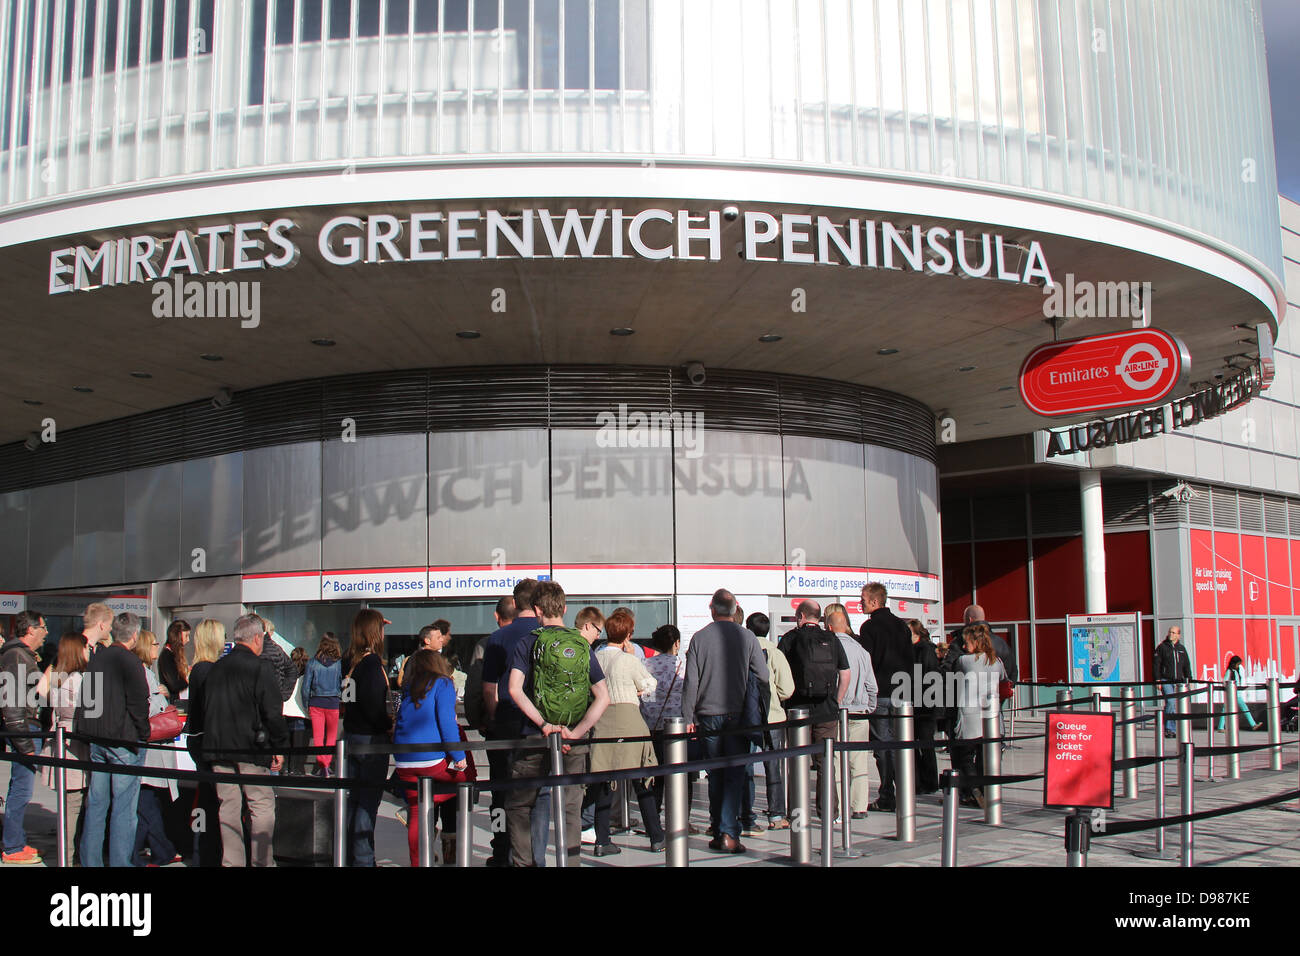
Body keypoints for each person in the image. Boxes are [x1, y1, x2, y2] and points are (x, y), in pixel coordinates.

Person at [506, 580, 611, 866]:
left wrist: (543, 724)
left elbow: (515, 689)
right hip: (571, 740)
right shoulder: (580, 643)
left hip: (534, 735)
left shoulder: (529, 641)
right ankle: (571, 863)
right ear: (564, 609)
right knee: (570, 809)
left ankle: (526, 863)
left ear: (537, 610)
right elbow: (603, 696)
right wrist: (575, 734)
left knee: (520, 805)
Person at [681, 588, 769, 854]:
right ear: (735, 609)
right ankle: (729, 832)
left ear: (712, 608)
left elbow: (691, 683)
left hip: (707, 716)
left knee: (715, 774)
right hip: (739, 716)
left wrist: (687, 717)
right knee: (735, 774)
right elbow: (763, 676)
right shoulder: (748, 637)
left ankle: (718, 828)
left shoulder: (699, 638)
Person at [203, 614, 289, 867]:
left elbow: (205, 709)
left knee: (228, 807)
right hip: (251, 746)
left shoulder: (216, 667)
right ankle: (262, 862)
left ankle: (232, 863)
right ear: (257, 638)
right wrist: (280, 746)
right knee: (261, 805)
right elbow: (273, 711)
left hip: (219, 748)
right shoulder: (260, 667)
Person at [482, 579, 551, 867]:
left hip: (508, 724)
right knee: (542, 794)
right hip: (544, 725)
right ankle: (536, 857)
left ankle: (507, 855)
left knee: (506, 794)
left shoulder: (498, 637)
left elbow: (489, 688)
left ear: (514, 602)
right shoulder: (550, 634)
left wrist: (492, 717)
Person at [77, 611, 151, 867]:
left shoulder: (98, 658)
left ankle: (91, 862)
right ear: (134, 636)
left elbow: (89, 698)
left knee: (96, 806)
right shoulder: (130, 661)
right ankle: (120, 863)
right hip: (123, 741)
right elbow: (139, 704)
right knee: (123, 810)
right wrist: (143, 734)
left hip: (98, 739)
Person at [590, 609, 661, 855]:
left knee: (604, 783)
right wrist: (638, 690)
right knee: (642, 780)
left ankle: (602, 840)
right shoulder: (628, 659)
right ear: (628, 635)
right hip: (629, 719)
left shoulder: (595, 658)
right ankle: (656, 837)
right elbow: (650, 684)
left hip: (601, 719)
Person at [393, 649, 471, 867]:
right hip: (431, 758)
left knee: (418, 809)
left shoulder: (409, 687)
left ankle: (418, 862)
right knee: (464, 782)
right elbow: (447, 723)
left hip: (403, 759)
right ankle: (429, 800)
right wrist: (458, 756)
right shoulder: (443, 684)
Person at [778, 600, 850, 821]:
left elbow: (781, 674)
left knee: (797, 760)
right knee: (825, 761)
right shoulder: (832, 639)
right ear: (818, 617)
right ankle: (830, 813)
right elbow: (845, 674)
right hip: (826, 709)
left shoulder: (790, 639)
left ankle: (796, 812)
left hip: (797, 710)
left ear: (800, 616)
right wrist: (835, 700)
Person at [343, 609, 393, 867]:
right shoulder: (372, 664)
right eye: (381, 628)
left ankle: (350, 855)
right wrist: (389, 726)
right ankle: (363, 859)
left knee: (353, 800)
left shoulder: (352, 661)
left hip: (352, 736)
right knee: (366, 803)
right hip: (370, 741)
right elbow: (375, 708)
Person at [857, 582, 912, 812]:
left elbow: (868, 662)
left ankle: (887, 794)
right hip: (903, 693)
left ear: (874, 601)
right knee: (902, 744)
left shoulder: (869, 628)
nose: (860, 604)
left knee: (883, 746)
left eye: (863, 600)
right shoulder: (903, 627)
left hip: (881, 693)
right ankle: (906, 792)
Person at [2, 611, 50, 864]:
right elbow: (11, 703)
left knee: (20, 787)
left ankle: (15, 840)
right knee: (21, 788)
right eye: (43, 628)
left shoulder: (21, 655)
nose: (46, 633)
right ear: (30, 629)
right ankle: (12, 846)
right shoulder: (16, 656)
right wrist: (24, 743)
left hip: (27, 726)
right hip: (23, 728)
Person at [39, 632, 91, 867]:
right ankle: (67, 861)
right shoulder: (78, 680)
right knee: (72, 809)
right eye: (86, 648)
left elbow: (42, 692)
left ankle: (67, 858)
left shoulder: (58, 677)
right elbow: (91, 713)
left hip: (61, 744)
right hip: (74, 747)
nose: (89, 652)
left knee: (68, 808)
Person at [130, 629, 180, 866]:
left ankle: (157, 851)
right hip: (150, 747)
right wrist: (164, 699)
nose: (156, 649)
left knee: (146, 804)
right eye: (153, 644)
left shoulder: (143, 672)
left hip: (147, 748)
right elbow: (151, 709)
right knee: (147, 803)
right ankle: (159, 851)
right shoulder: (145, 674)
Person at [181, 619, 225, 867]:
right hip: (205, 741)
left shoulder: (199, 668)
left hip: (198, 739)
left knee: (206, 798)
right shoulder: (207, 670)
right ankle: (205, 855)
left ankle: (203, 853)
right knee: (210, 800)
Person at [744, 612, 794, 831]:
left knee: (746, 766)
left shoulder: (742, 652)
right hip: (773, 716)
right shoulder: (775, 652)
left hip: (748, 717)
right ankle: (776, 815)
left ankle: (746, 814)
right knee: (773, 766)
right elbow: (788, 689)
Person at [828, 610, 877, 819]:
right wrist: (869, 707)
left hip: (837, 710)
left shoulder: (829, 648)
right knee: (858, 761)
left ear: (829, 627)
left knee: (837, 759)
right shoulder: (862, 651)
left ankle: (839, 804)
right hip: (859, 710)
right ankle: (859, 806)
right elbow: (871, 685)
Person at [952, 624, 1007, 808]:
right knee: (986, 756)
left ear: (975, 642)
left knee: (964, 757)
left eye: (966, 642)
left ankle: (974, 789)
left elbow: (953, 674)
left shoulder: (964, 661)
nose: (964, 646)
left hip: (970, 715)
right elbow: (1004, 680)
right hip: (991, 716)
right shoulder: (996, 661)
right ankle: (984, 792)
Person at [640, 624, 684, 822]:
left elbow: (644, 698)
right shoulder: (682, 664)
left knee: (654, 774)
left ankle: (654, 817)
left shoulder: (646, 664)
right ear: (676, 643)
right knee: (680, 776)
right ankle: (681, 818)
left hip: (652, 725)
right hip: (677, 726)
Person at [908, 620, 942, 793]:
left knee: (925, 743)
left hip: (925, 704)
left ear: (916, 633)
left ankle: (928, 781)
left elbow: (927, 676)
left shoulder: (925, 650)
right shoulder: (915, 650)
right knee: (917, 743)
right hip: (918, 702)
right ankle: (919, 780)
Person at [304, 632, 343, 776]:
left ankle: (322, 765)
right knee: (331, 736)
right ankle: (326, 763)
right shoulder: (339, 663)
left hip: (316, 702)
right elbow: (342, 683)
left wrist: (306, 704)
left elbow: (306, 687)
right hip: (333, 702)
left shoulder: (312, 663)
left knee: (318, 737)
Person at [949, 605, 1018, 682]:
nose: (964, 646)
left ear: (969, 619)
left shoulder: (960, 643)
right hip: (995, 691)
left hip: (968, 691)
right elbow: (1013, 672)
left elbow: (948, 672)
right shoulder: (1001, 643)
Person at [1154, 625, 1191, 738]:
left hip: (1179, 681)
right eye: (1170, 632)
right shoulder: (1162, 647)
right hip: (1166, 680)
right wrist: (1157, 680)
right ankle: (1170, 728)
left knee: (1173, 705)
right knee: (1171, 702)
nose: (1171, 634)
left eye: (1174, 633)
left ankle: (1164, 723)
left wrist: (1188, 678)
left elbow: (1186, 665)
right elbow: (1156, 664)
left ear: (1178, 635)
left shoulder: (1181, 649)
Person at [256, 614, 298, 703]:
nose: (273, 633)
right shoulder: (275, 648)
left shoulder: (275, 648)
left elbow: (292, 669)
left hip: (268, 700)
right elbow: (292, 669)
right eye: (271, 631)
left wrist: (282, 694)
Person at [284, 647, 311, 774]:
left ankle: (287, 768)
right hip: (301, 712)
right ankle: (297, 769)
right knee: (299, 745)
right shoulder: (306, 674)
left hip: (286, 710)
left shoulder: (287, 672)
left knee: (287, 743)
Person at [1216, 655, 1260, 731]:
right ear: (1234, 664)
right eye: (1238, 664)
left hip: (1237, 694)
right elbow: (1225, 681)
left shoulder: (1235, 671)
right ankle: (1253, 724)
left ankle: (1253, 724)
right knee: (1228, 709)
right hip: (1232, 694)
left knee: (1231, 709)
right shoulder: (1229, 671)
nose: (1238, 666)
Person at [158, 619, 191, 701]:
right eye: (186, 635)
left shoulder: (173, 654)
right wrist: (188, 678)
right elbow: (175, 684)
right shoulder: (167, 655)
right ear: (178, 635)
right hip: (175, 703)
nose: (188, 640)